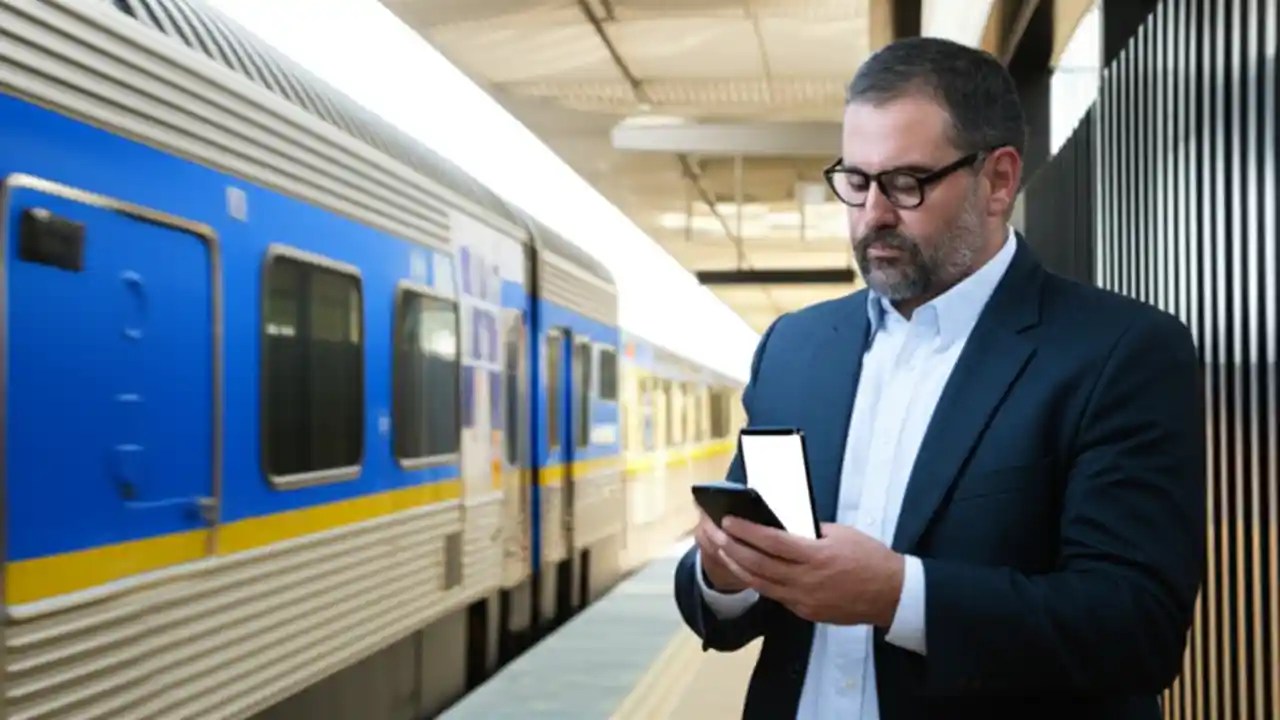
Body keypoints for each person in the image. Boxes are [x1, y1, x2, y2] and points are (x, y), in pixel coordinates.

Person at [672, 36, 1205, 720]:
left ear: (999, 181)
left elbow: (1137, 630)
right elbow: (728, 611)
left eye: (906, 183)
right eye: (856, 182)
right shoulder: (795, 348)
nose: (873, 216)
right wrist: (723, 574)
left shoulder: (1121, 352)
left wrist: (900, 596)